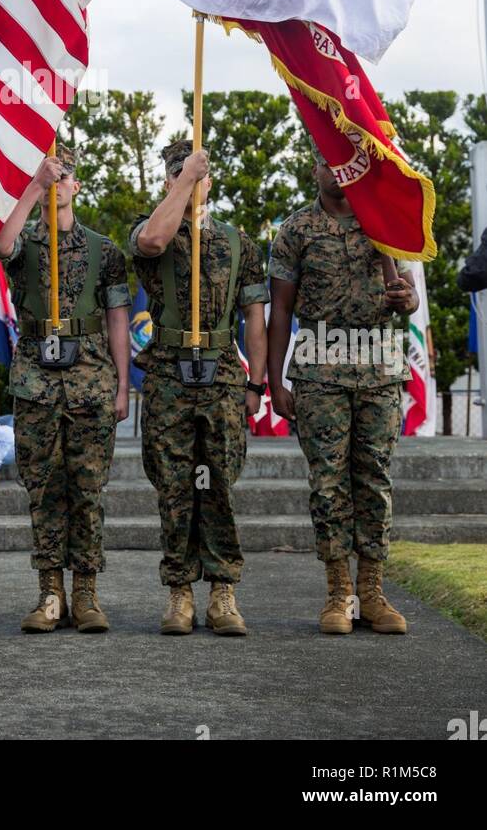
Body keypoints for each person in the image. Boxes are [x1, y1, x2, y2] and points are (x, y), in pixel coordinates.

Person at [267, 147, 418, 636]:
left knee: (373, 479)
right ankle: (339, 593)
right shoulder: (296, 231)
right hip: (320, 373)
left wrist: (408, 299)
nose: (336, 171)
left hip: (378, 368)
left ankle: (372, 592)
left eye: (345, 162)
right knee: (328, 485)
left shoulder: (385, 223)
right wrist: (274, 379)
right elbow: (281, 312)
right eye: (327, 161)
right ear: (313, 167)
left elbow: (409, 296)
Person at [130, 140, 269, 636]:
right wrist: (184, 180)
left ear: (212, 180)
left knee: (219, 484)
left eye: (197, 174)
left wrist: (257, 380)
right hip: (169, 374)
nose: (188, 181)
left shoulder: (237, 243)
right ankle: (180, 591)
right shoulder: (150, 229)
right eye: (177, 174)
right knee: (174, 486)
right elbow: (151, 243)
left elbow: (254, 316)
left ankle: (223, 591)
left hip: (222, 376)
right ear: (169, 179)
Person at [0, 148, 131, 634]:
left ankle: (87, 592)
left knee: (88, 490)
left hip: (91, 381)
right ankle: (50, 592)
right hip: (36, 384)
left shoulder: (103, 250)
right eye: (49, 175)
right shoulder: (25, 241)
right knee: (44, 489)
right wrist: (32, 185)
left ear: (76, 186)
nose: (56, 183)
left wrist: (120, 385)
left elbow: (117, 318)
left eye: (62, 176)